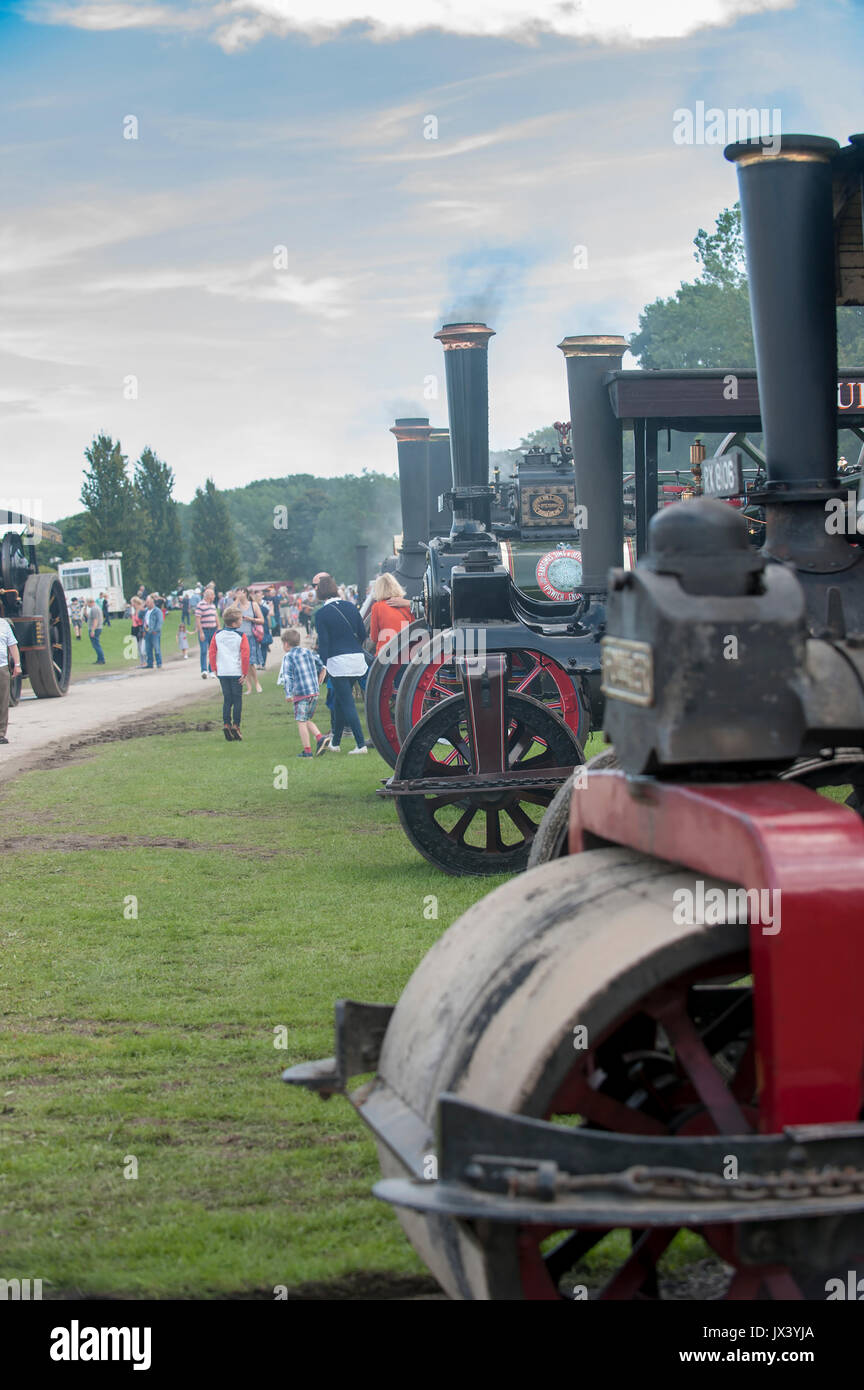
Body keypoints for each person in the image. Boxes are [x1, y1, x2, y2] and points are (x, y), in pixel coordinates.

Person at [313, 576, 368, 754]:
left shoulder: (321, 614)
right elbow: (362, 633)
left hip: (338, 662)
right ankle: (335, 743)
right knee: (338, 701)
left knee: (346, 703)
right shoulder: (351, 607)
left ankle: (360, 744)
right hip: (357, 658)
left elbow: (324, 642)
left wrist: (323, 665)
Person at [277, 627, 330, 758]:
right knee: (306, 719)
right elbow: (322, 665)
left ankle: (307, 751)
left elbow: (288, 677)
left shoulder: (288, 657)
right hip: (314, 693)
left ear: (285, 644)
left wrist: (288, 694)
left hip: (301, 694)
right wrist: (321, 676)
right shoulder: (308, 652)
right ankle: (320, 738)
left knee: (301, 722)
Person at [208, 605, 249, 741]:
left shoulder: (217, 635)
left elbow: (212, 652)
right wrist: (244, 672)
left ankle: (226, 723)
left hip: (223, 671)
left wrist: (214, 668)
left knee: (227, 699)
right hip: (236, 671)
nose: (241, 621)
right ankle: (236, 725)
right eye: (240, 619)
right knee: (237, 699)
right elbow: (245, 655)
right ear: (235, 622)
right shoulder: (241, 636)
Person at [368, 573, 413, 654]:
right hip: (405, 653)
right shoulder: (406, 606)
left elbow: (374, 637)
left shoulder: (377, 607)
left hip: (385, 654)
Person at [235, 586, 265, 695]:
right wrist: (236, 601)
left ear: (246, 593)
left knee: (251, 662)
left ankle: (256, 682)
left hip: (250, 636)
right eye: (237, 592)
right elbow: (229, 613)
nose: (238, 594)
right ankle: (249, 687)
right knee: (243, 662)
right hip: (238, 637)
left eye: (240, 592)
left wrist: (251, 619)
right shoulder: (236, 605)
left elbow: (262, 620)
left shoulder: (253, 605)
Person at [0, 615, 23, 745]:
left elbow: (12, 645)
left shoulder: (4, 624)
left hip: (2, 667)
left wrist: (17, 665)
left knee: (3, 701)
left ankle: (1, 733)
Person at [195, 586, 220, 679]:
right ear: (208, 596)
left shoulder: (213, 606)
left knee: (213, 651)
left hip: (213, 629)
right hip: (204, 630)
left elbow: (216, 617)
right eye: (213, 595)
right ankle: (204, 670)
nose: (214, 596)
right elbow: (198, 619)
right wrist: (201, 632)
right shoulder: (200, 605)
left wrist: (219, 627)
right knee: (204, 650)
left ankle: (212, 670)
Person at [143, 594, 164, 669]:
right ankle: (150, 663)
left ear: (152, 602)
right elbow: (143, 620)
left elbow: (160, 621)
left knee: (156, 648)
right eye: (146, 602)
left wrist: (156, 630)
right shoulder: (145, 611)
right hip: (147, 631)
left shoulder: (157, 611)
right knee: (148, 648)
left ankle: (159, 663)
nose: (147, 604)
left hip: (154, 632)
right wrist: (144, 630)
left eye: (148, 602)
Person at [87, 596, 106, 664]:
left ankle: (101, 659)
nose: (87, 604)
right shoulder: (97, 608)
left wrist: (92, 630)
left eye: (87, 603)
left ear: (90, 602)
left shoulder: (94, 609)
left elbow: (95, 620)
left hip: (95, 628)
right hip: (98, 628)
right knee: (96, 644)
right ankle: (99, 659)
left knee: (96, 644)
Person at [130, 596, 146, 666]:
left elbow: (143, 621)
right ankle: (142, 662)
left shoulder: (141, 610)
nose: (132, 604)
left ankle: (146, 660)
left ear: (135, 602)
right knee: (139, 647)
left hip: (140, 629)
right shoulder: (134, 610)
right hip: (135, 629)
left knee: (142, 646)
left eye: (132, 603)